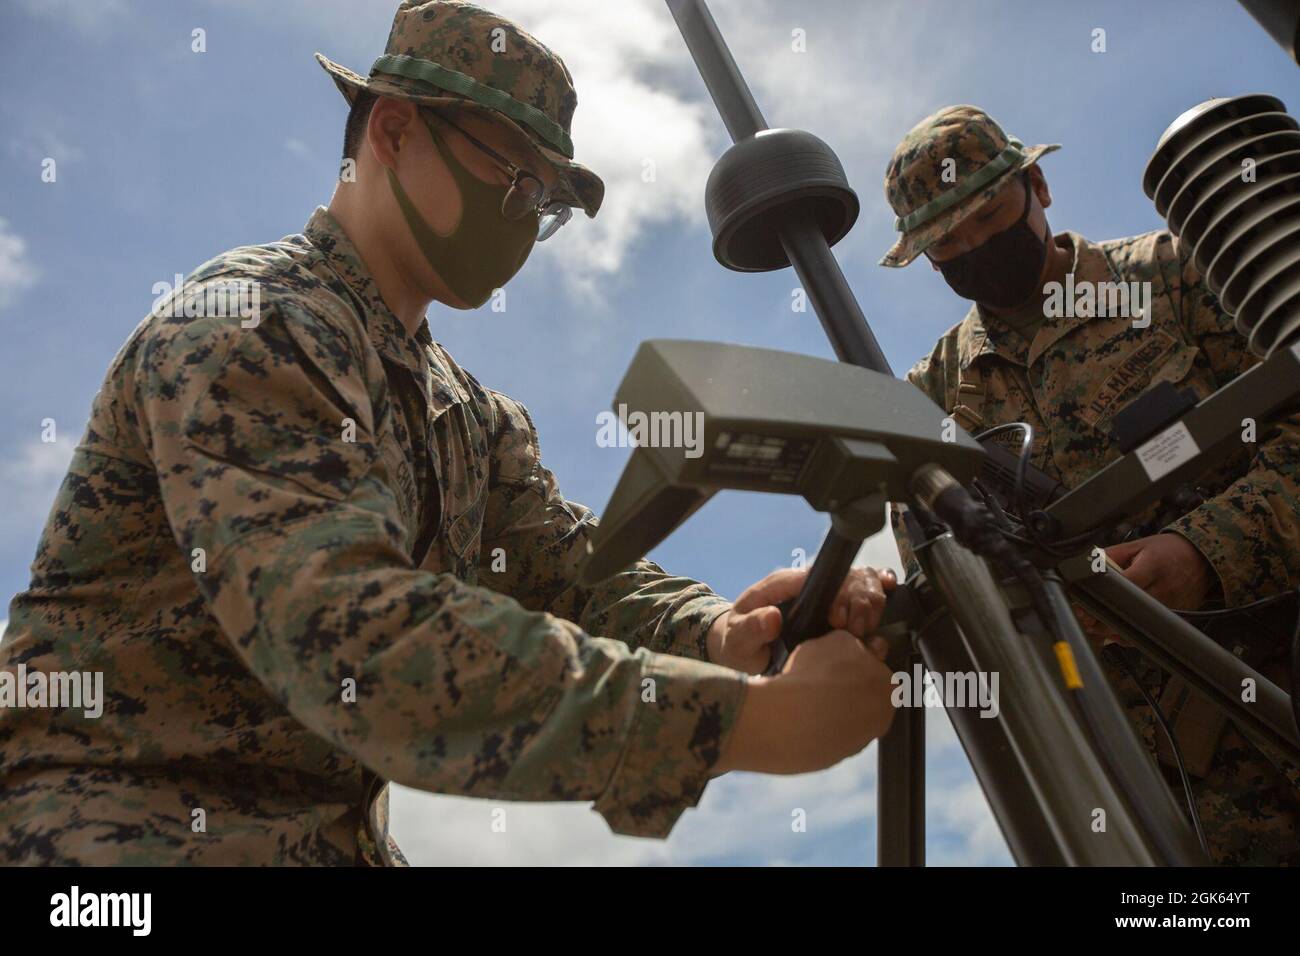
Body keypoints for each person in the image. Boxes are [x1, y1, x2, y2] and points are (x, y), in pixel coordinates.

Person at [0, 0, 900, 866]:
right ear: (392, 133)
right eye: (516, 180)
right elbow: (351, 635)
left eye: (545, 202)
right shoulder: (250, 326)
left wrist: (721, 628)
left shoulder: (469, 416)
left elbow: (572, 575)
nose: (526, 222)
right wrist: (739, 725)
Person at [879, 103, 1300, 865]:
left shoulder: (1174, 276)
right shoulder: (934, 403)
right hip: (1158, 793)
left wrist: (1203, 551)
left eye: (988, 216)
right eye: (948, 244)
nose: (975, 247)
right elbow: (950, 598)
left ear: (1037, 185)